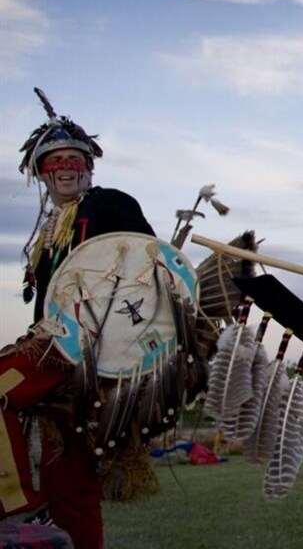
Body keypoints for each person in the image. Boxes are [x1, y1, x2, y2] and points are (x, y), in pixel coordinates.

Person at [0, 91, 155, 549]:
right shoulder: (51, 229)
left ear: (89, 167)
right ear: (39, 172)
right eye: (54, 161)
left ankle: (18, 505)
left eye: (75, 159)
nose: (66, 167)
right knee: (69, 475)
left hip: (87, 347)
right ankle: (55, 512)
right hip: (54, 348)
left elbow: (150, 264)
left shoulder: (107, 203)